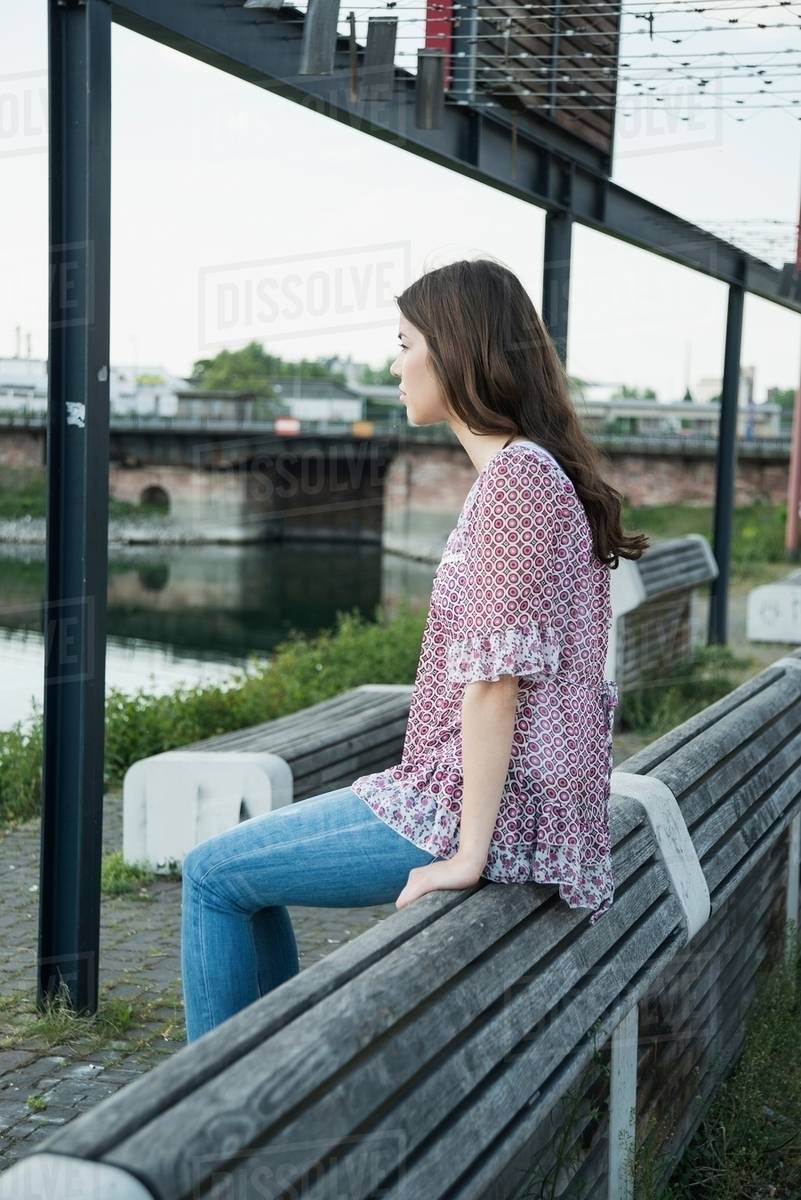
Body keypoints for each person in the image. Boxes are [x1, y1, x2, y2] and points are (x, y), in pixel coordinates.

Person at [180, 257, 649, 1043]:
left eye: (403, 343)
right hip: (493, 801)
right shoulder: (528, 472)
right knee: (235, 876)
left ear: (454, 352)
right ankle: (263, 1080)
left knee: (212, 876)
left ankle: (215, 1125)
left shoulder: (517, 481)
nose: (392, 365)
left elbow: (495, 684)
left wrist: (467, 854)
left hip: (471, 809)